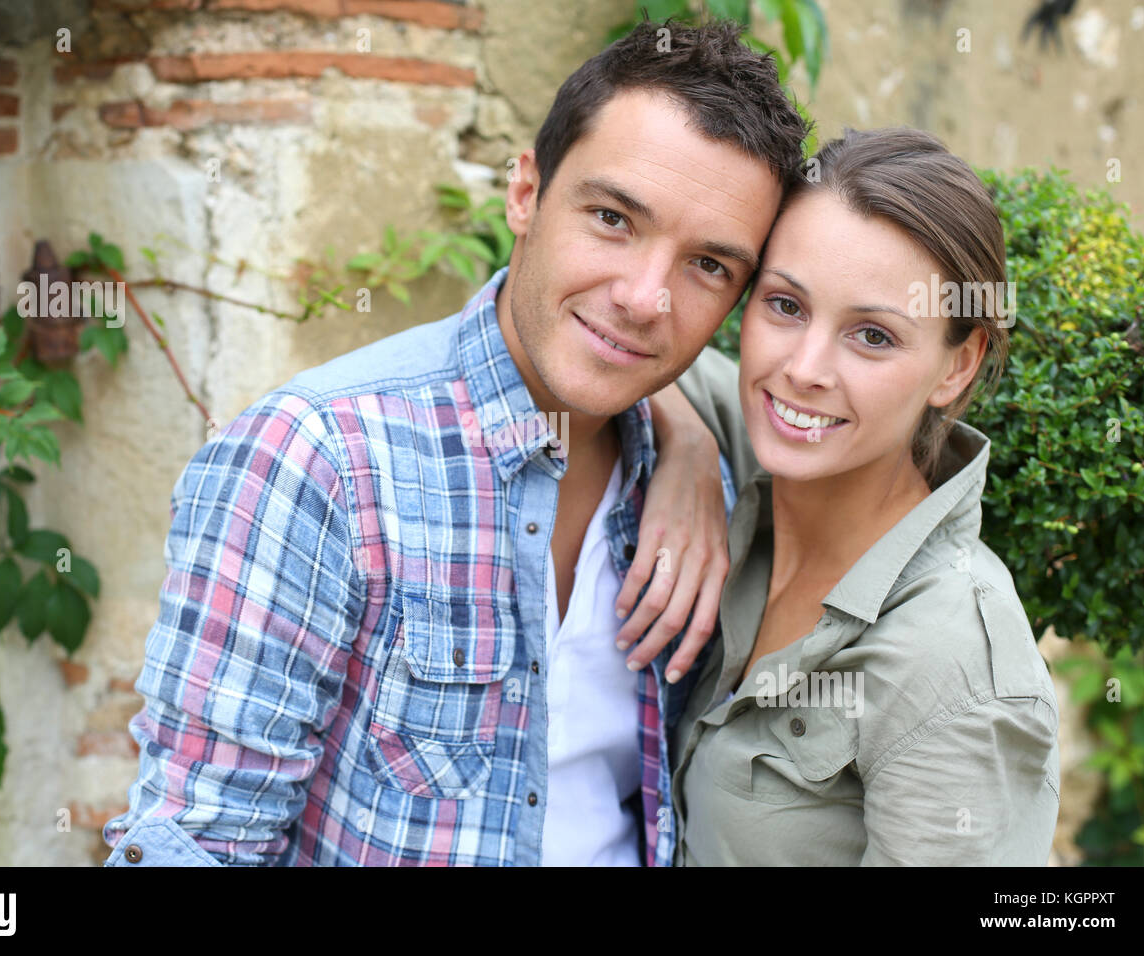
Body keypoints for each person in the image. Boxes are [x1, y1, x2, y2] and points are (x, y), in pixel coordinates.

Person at [101, 18, 808, 866]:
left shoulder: (723, 467)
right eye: (614, 217)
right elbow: (199, 843)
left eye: (708, 266)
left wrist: (690, 448)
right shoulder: (320, 461)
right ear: (525, 193)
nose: (645, 297)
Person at [648, 127, 1061, 865]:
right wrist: (685, 438)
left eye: (872, 336)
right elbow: (585, 335)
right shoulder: (755, 441)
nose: (804, 369)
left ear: (956, 368)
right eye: (785, 306)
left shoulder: (952, 670)